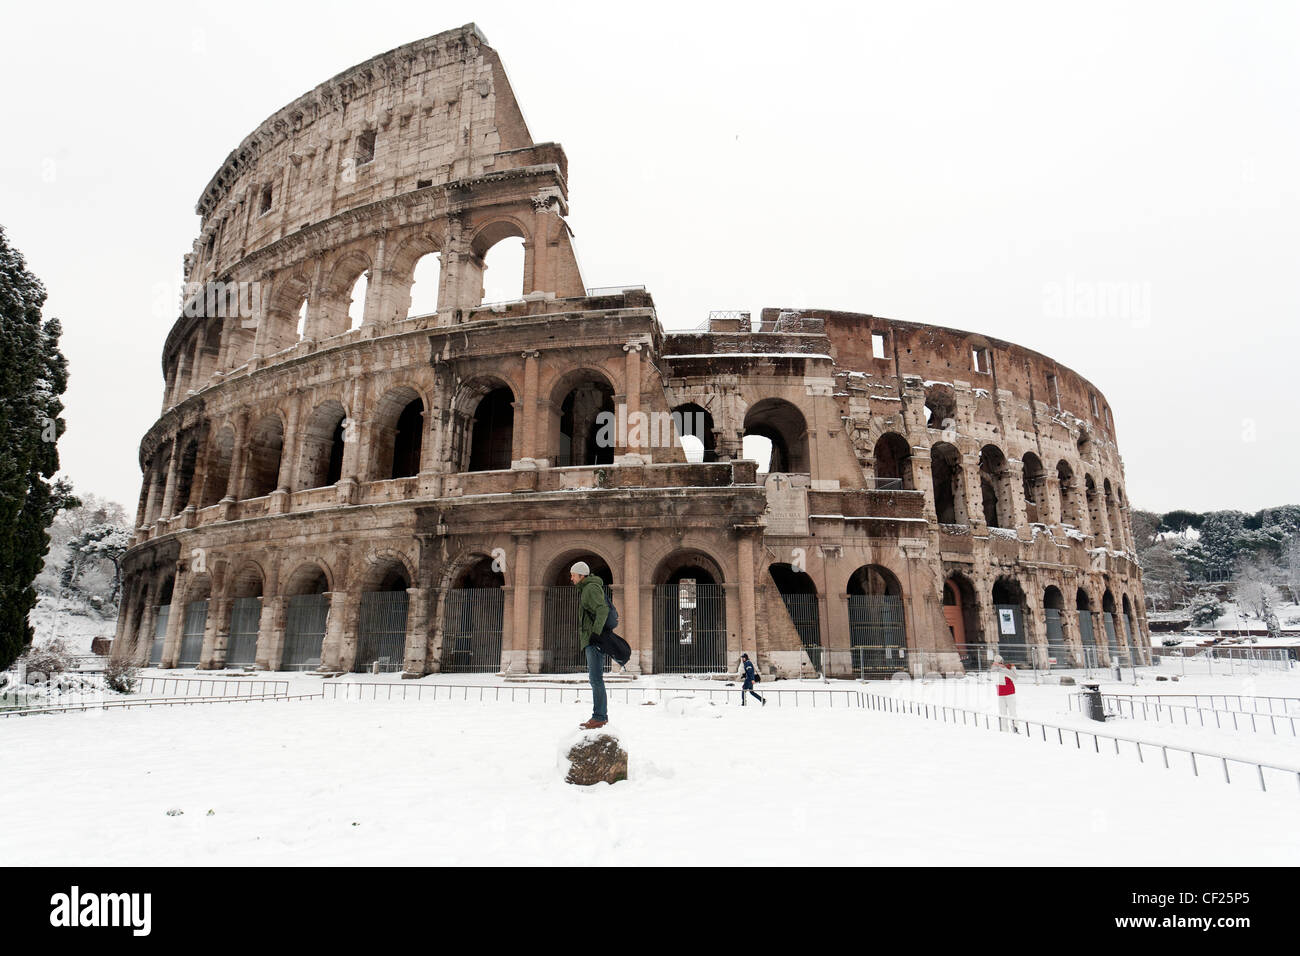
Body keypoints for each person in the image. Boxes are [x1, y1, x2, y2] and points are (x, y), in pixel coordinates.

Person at [572, 561, 610, 729]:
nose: (571, 578)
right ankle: (599, 715)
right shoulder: (586, 589)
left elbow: (602, 609)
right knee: (595, 679)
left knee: (596, 679)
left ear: (582, 576)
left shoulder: (590, 589)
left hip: (593, 640)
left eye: (573, 575)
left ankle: (599, 716)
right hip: (591, 639)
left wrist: (595, 633)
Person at [990, 654, 1018, 732]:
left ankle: (1006, 729)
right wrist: (1012, 668)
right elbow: (1015, 677)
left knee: (1004, 712)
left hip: (1003, 693)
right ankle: (1013, 727)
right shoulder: (1003, 669)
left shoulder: (995, 670)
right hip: (1007, 693)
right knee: (1011, 712)